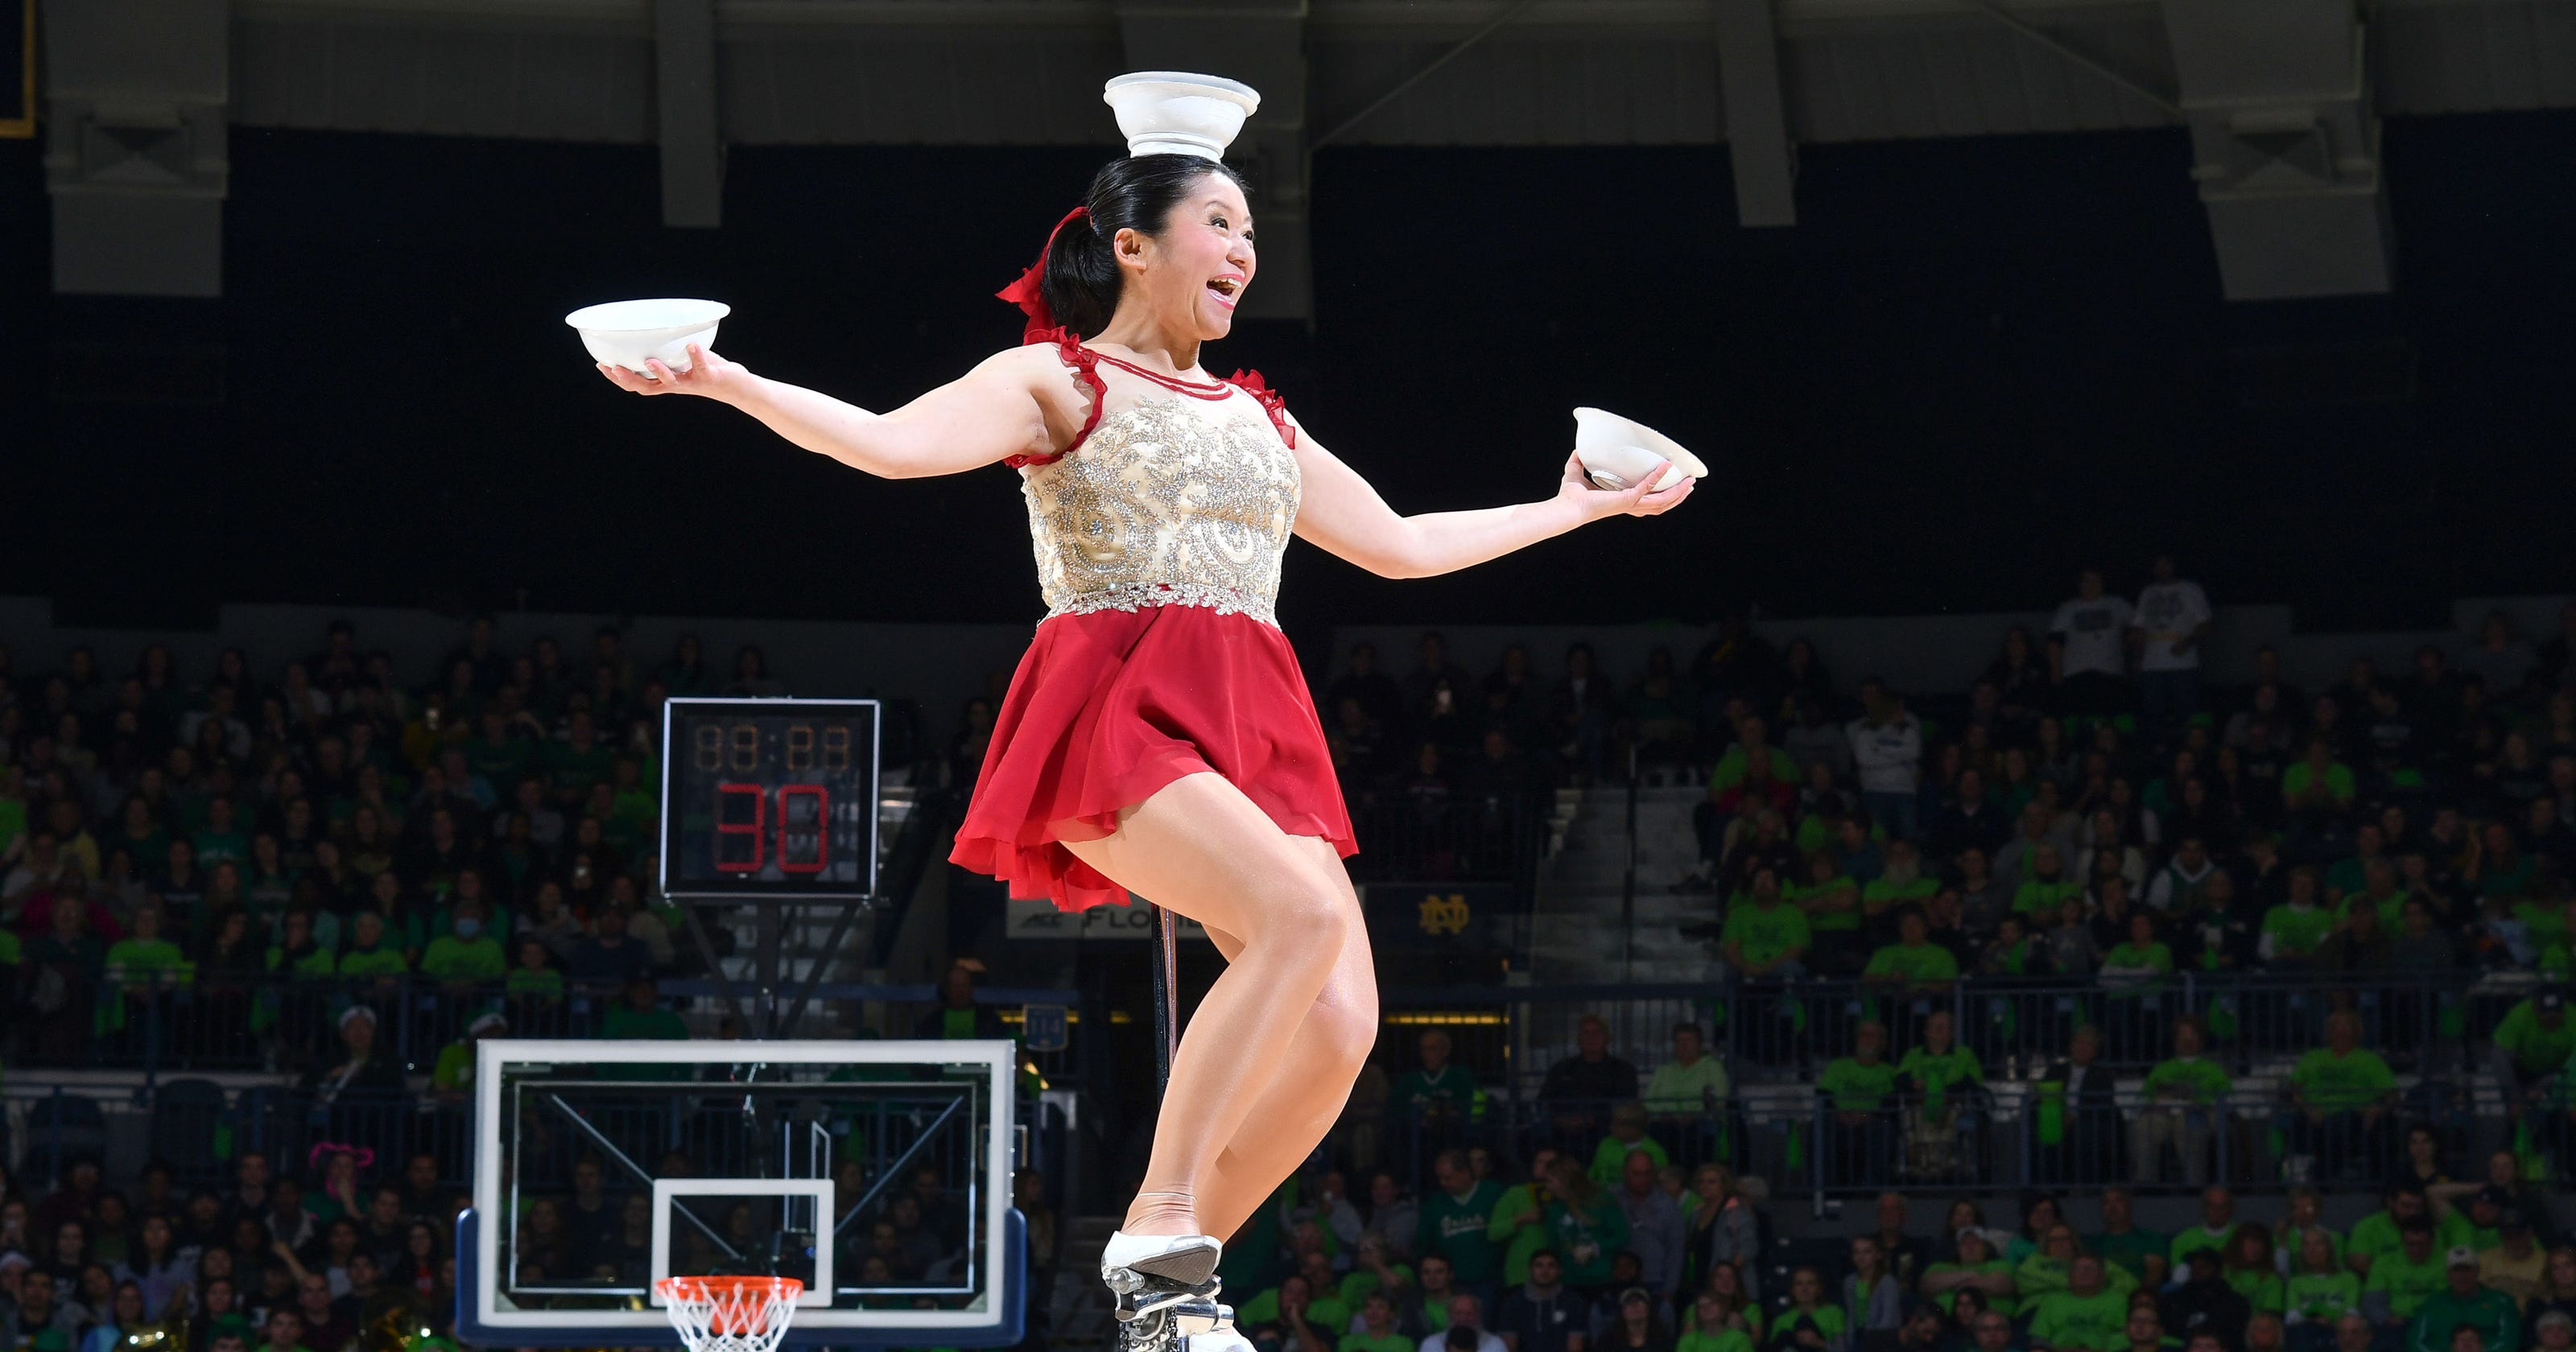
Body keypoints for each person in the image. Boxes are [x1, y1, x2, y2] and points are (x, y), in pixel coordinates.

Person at [2287, 1013, 2398, 1181]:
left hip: (2356, 1118)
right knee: (2300, 1124)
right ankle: (2311, 1180)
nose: (2340, 1031)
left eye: (2346, 1026)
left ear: (2356, 1032)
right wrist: (2308, 1109)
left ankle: (2328, 1177)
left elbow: (2393, 1095)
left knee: (2352, 1123)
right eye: (2335, 1027)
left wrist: (2378, 1108)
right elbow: (2294, 1090)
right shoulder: (2313, 1057)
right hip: (2316, 1117)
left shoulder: (2370, 1059)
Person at [2406, 1249, 2520, 1352]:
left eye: (2467, 1270)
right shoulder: (2431, 1304)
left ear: (2477, 1271)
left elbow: (2509, 1342)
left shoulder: (2501, 1302)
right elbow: (2416, 1343)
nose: (2462, 1276)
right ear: (2447, 1274)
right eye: (2456, 1270)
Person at [2363, 1226, 2450, 1338]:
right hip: (2394, 1325)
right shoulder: (2384, 1262)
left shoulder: (2447, 1261)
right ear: (2402, 1243)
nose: (2416, 1250)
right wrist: (2387, 1319)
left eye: (2421, 1244)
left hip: (2435, 1323)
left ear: (2432, 1242)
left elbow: (2449, 1299)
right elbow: (2372, 1303)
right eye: (2411, 1244)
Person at [1496, 1251, 1591, 1352]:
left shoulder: (1574, 1302)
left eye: (1551, 1266)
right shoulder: (1512, 1303)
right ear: (1530, 1270)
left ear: (1560, 1271)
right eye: (1539, 1266)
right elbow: (1508, 1347)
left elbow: (1575, 1348)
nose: (1545, 1271)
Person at [2029, 1258, 2129, 1352]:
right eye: (2078, 1268)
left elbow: (2127, 1338)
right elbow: (2039, 1342)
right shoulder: (2051, 1300)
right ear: (2069, 1276)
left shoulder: (2119, 1300)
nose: (2084, 1272)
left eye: (2091, 1268)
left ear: (2103, 1276)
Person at [2161, 1249, 2252, 1352]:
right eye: (2194, 1267)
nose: (2197, 1271)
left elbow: (2237, 1340)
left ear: (2219, 1271)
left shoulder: (2236, 1303)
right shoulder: (2173, 1300)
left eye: (2204, 1267)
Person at [2087, 1191, 2169, 1293]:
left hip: (2142, 1301)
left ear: (2129, 1205)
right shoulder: (2093, 1244)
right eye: (2106, 1203)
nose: (2112, 1207)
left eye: (2118, 1200)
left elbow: (2154, 1276)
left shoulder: (2151, 1238)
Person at [1763, 1268, 1847, 1352]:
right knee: (1785, 1334)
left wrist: (1818, 1343)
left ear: (1819, 1289)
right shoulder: (1780, 1320)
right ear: (1792, 1290)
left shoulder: (1833, 1312)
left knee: (1804, 1322)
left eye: (1810, 1283)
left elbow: (1842, 1349)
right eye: (1799, 1284)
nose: (1804, 1289)